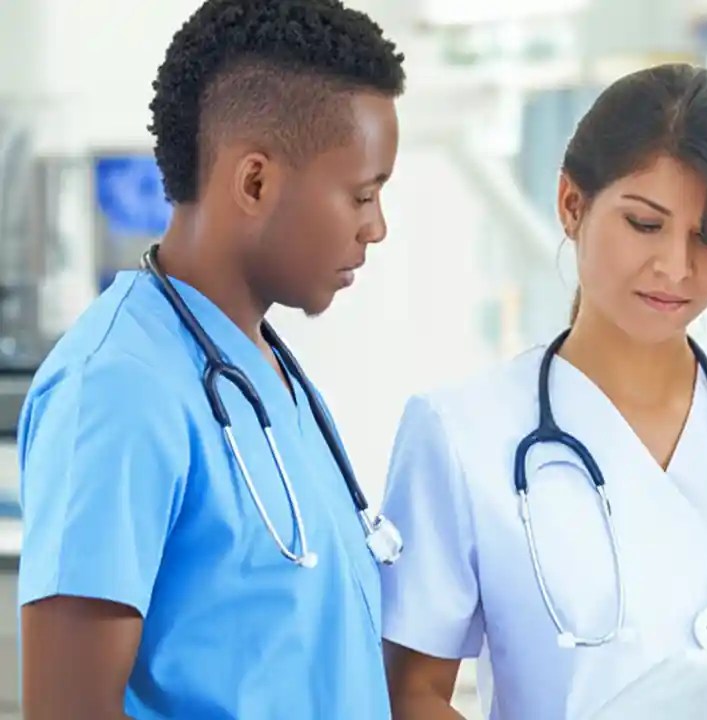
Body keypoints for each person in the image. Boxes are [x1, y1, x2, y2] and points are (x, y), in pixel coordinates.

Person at [379, 62, 707, 719]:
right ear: (571, 204)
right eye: (644, 223)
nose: (675, 267)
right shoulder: (461, 431)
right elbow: (411, 693)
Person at [16, 1, 406, 718]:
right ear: (255, 182)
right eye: (362, 195)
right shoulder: (118, 389)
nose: (375, 228)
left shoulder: (267, 378)